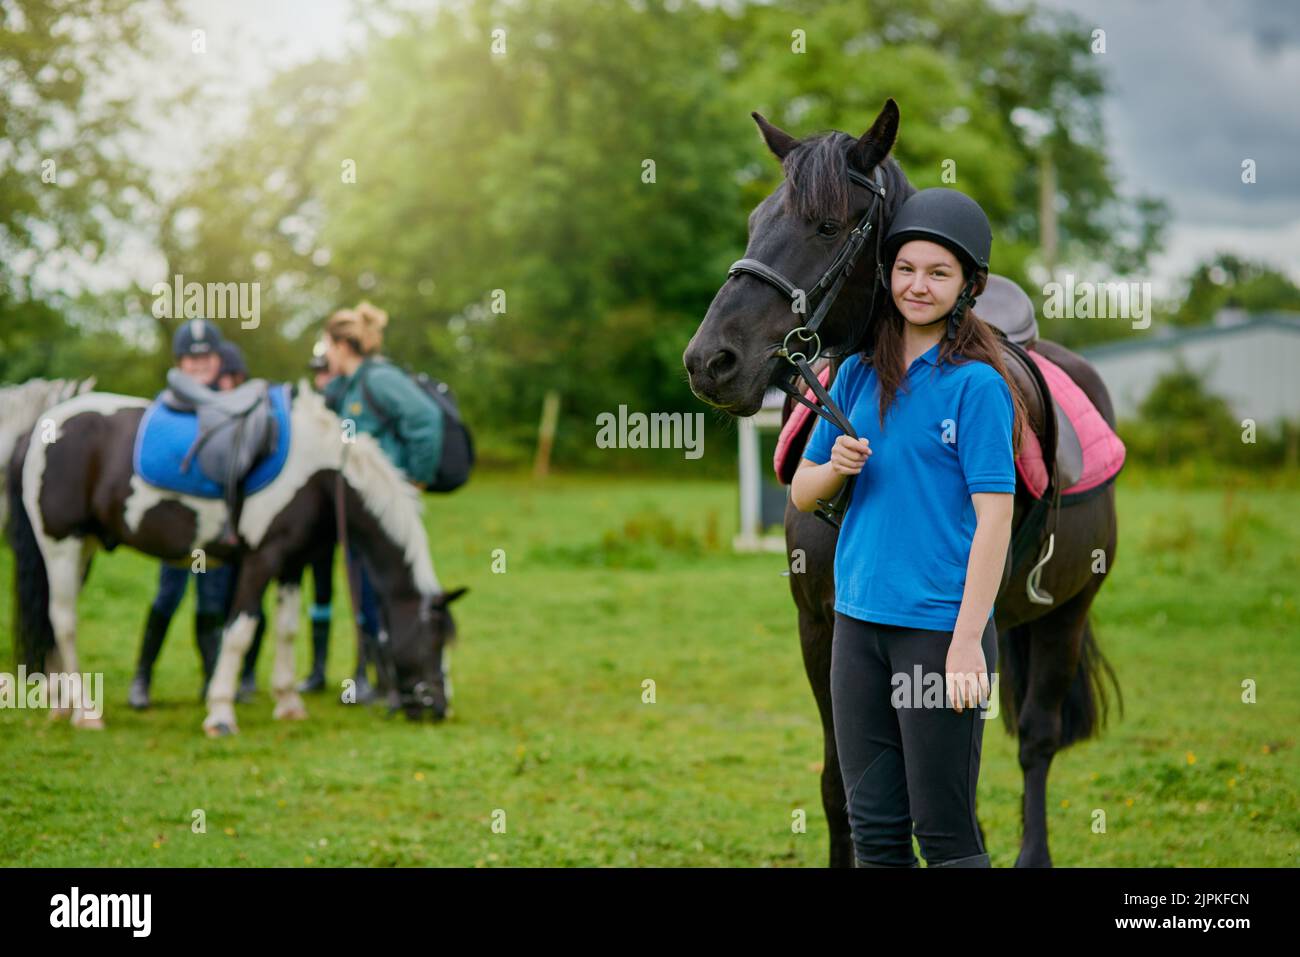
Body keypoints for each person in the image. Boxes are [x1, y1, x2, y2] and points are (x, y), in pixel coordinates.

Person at [791, 188, 1027, 868]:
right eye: (905, 269)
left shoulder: (976, 387)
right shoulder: (859, 374)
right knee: (875, 833)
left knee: (945, 834)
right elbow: (805, 493)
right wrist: (835, 464)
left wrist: (966, 643)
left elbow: (995, 519)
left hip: (937, 632)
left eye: (938, 273)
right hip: (857, 627)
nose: (917, 285)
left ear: (968, 287)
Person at [127, 325, 261, 709]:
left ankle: (212, 680)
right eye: (193, 359)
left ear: (218, 360)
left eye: (206, 358)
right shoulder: (166, 409)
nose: (200, 365)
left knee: (211, 602)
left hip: (215, 527)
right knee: (168, 596)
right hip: (177, 526)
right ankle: (142, 677)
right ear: (180, 363)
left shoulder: (234, 408)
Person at [320, 302, 443, 703]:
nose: (325, 355)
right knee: (366, 594)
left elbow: (426, 419)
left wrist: (415, 478)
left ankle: (409, 676)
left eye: (327, 346)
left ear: (342, 345)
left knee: (390, 591)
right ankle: (379, 676)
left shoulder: (381, 379)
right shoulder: (352, 385)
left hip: (386, 512)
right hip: (362, 515)